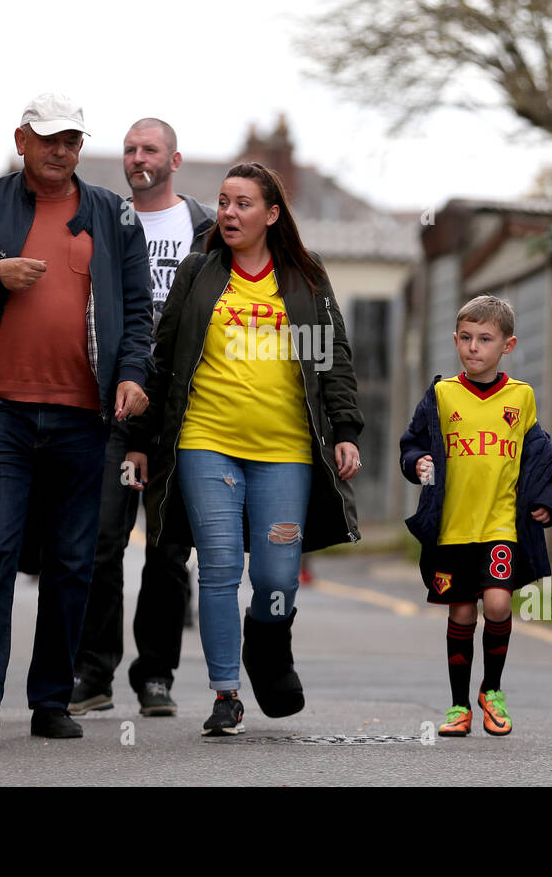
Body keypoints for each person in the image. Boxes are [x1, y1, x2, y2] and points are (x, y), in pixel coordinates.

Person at [0, 92, 153, 742]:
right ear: (22, 141)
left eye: (72, 140)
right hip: (1, 414)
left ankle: (51, 700)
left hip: (84, 418)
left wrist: (133, 374)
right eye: (49, 139)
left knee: (74, 560)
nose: (61, 150)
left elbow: (138, 313)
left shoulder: (112, 216)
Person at [126, 162, 363, 736]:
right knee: (219, 568)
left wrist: (347, 430)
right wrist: (140, 442)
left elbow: (332, 359)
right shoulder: (198, 274)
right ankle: (226, 692)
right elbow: (163, 361)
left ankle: (266, 641)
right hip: (207, 443)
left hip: (286, 451)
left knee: (279, 577)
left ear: (272, 215)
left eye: (243, 204)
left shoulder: (305, 280)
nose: (229, 213)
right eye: (224, 202)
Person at [71, 118, 216, 718]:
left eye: (149, 149)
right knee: (102, 543)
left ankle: (155, 674)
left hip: (184, 411)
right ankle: (93, 672)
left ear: (174, 160)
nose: (137, 158)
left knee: (167, 550)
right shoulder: (106, 221)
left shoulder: (205, 230)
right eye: (129, 150)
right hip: (112, 406)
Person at [398, 295, 552, 738]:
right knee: (461, 613)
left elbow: (542, 458)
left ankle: (491, 692)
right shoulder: (441, 395)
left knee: (497, 602)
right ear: (455, 340)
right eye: (467, 338)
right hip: (453, 529)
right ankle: (458, 707)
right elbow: (411, 442)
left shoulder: (522, 398)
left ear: (507, 346)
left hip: (501, 525)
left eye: (485, 339)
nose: (474, 347)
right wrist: (415, 463)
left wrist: (549, 499)